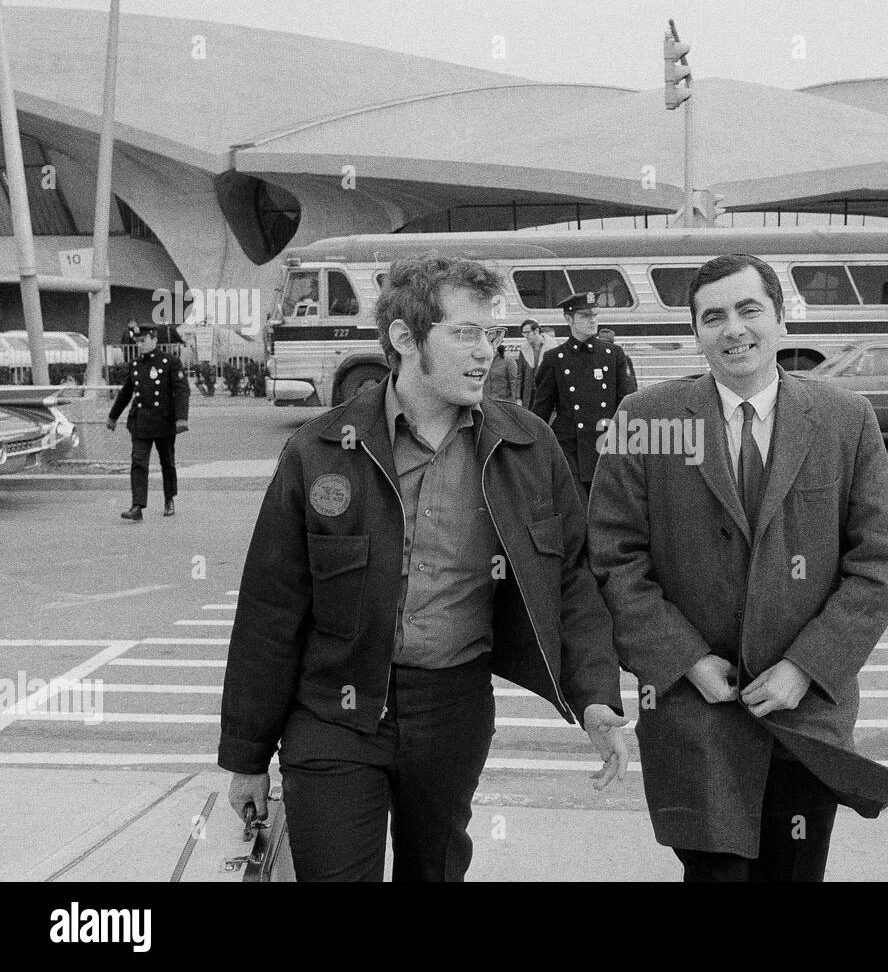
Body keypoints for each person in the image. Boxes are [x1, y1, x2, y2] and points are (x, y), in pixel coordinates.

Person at [219, 255, 629, 882]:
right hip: (335, 709)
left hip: (453, 709)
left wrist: (596, 697)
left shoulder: (527, 446)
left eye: (492, 334)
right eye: (465, 332)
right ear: (406, 339)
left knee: (434, 871)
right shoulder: (321, 449)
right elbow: (271, 608)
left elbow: (570, 581)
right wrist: (247, 756)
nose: (486, 352)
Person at [588, 253, 888, 882]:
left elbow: (880, 560)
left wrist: (805, 667)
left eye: (747, 309)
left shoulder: (846, 421)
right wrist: (683, 661)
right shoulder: (645, 420)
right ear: (697, 333)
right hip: (696, 714)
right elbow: (612, 557)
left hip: (804, 717)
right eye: (713, 317)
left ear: (779, 319)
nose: (732, 328)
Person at [529, 292, 637, 501]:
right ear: (569, 319)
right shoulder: (555, 359)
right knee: (578, 512)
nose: (593, 320)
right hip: (571, 449)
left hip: (606, 446)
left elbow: (627, 402)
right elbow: (541, 410)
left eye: (595, 314)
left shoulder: (613, 354)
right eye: (585, 316)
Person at [105, 322, 189, 521]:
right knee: (138, 463)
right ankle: (137, 506)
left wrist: (181, 418)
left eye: (143, 341)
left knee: (167, 462)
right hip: (141, 422)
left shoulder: (170, 362)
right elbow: (126, 392)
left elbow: (181, 390)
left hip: (164, 421)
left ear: (154, 339)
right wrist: (113, 416)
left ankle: (169, 498)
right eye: (138, 341)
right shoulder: (136, 364)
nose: (140, 345)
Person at [517, 319, 547, 409]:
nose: (525, 336)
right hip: (529, 394)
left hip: (545, 392)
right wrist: (518, 397)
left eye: (528, 332)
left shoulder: (551, 346)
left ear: (536, 330)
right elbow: (519, 375)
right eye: (523, 333)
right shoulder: (524, 348)